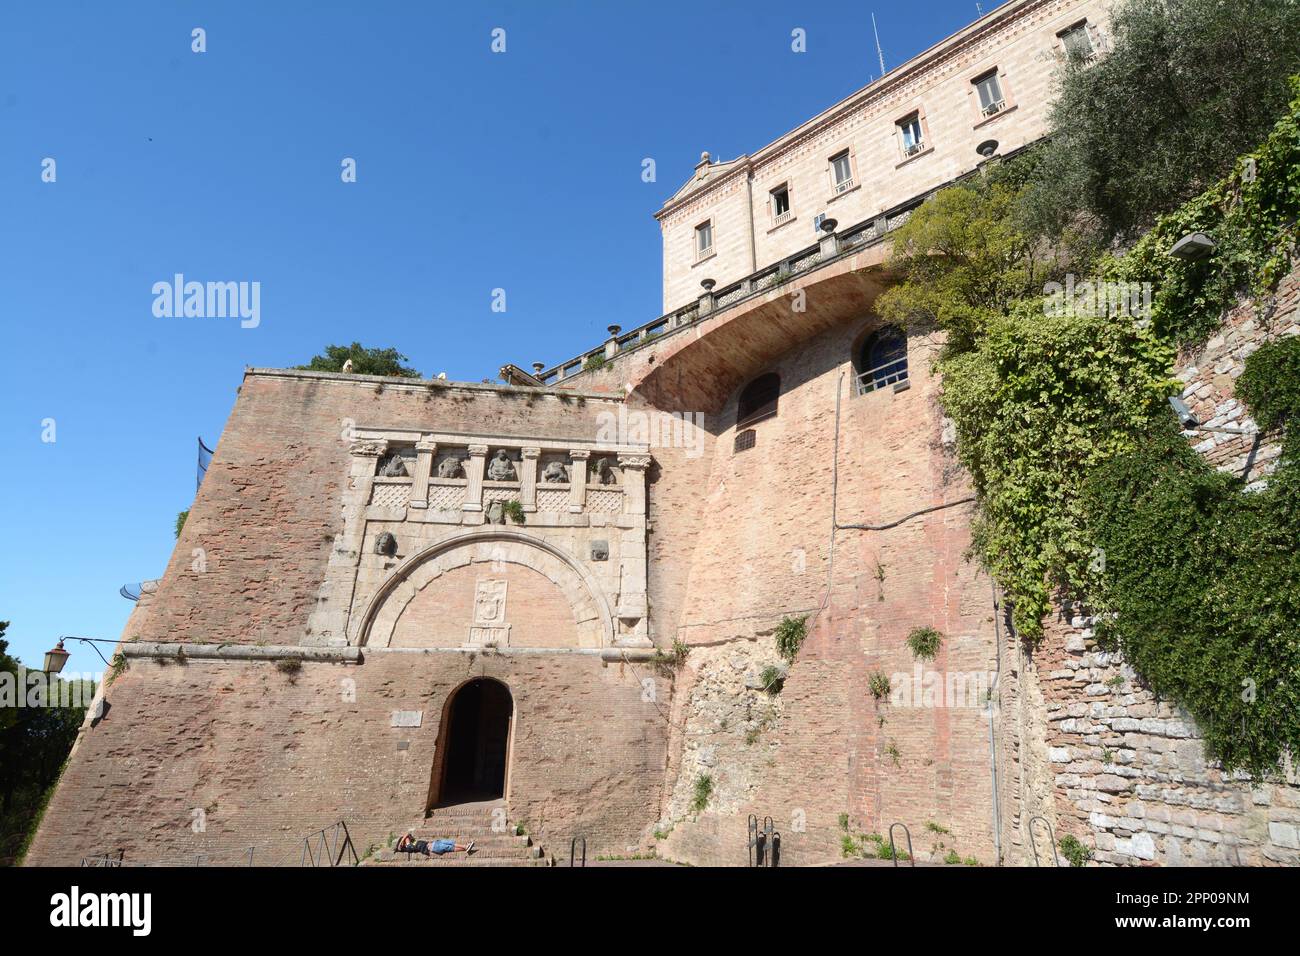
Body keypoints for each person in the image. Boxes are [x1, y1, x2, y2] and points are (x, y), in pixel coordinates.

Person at [397, 831, 475, 856]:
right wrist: (401, 842)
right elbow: (406, 836)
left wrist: (402, 841)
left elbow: (408, 834)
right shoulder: (409, 847)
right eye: (404, 840)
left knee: (450, 844)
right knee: (449, 846)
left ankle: (466, 848)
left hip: (434, 844)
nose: (407, 839)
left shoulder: (412, 842)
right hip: (433, 847)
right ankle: (466, 846)